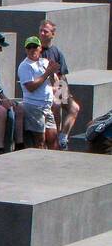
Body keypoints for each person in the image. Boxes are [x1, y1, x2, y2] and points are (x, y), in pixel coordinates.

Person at [39, 19, 81, 150]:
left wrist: (65, 92)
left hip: (58, 87)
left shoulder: (56, 52)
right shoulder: (35, 49)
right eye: (40, 31)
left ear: (52, 34)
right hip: (43, 88)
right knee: (56, 106)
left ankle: (63, 137)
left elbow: (62, 75)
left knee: (74, 108)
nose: (42, 33)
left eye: (45, 31)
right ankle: (54, 140)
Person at [17, 35, 60, 149]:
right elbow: (30, 87)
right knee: (40, 140)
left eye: (34, 47)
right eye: (29, 47)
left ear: (40, 48)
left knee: (53, 137)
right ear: (26, 50)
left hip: (47, 105)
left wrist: (51, 72)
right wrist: (46, 73)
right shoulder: (25, 66)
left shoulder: (44, 62)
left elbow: (55, 82)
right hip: (34, 106)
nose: (32, 50)